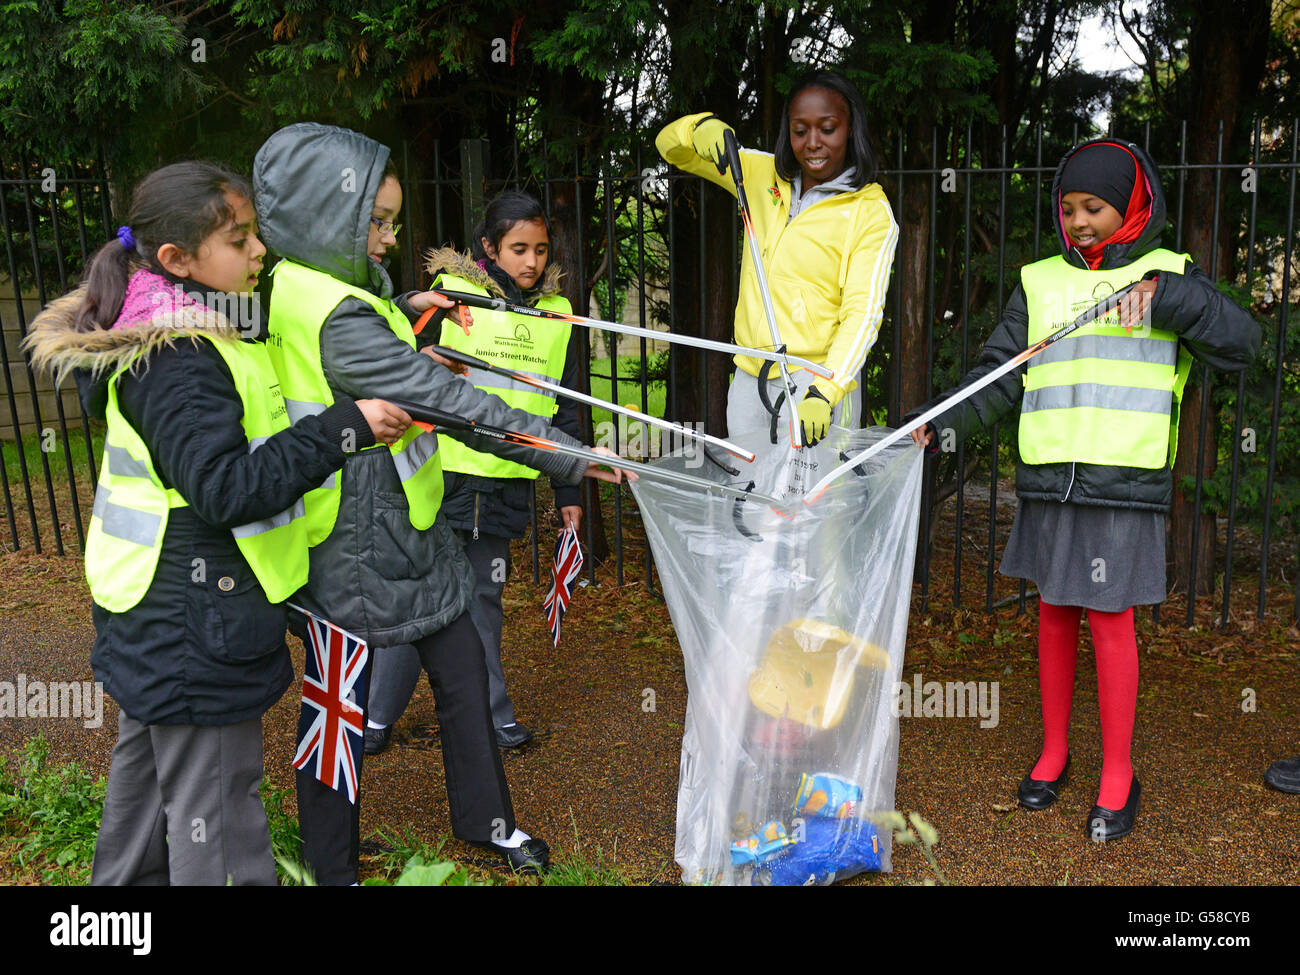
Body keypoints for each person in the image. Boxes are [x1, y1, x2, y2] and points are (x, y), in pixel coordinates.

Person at [253, 122, 630, 882]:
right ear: (328, 217)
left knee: (461, 674)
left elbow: (381, 343)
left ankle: (488, 823)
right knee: (336, 710)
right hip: (346, 548)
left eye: (392, 221)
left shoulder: (320, 284)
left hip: (411, 526)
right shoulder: (338, 313)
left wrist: (406, 308)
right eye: (376, 223)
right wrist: (567, 452)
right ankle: (333, 869)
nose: (389, 237)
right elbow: (453, 403)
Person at [25, 161, 410, 885]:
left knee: (144, 794)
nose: (260, 252)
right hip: (196, 623)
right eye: (240, 239)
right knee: (222, 819)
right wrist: (343, 428)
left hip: (154, 614)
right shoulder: (179, 359)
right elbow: (227, 488)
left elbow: (268, 330)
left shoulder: (163, 316)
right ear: (178, 259)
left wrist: (397, 306)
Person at [907, 138, 1259, 841]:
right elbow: (999, 372)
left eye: (1094, 207)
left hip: (1122, 485)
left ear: (1131, 206)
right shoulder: (1040, 282)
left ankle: (1118, 773)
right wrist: (943, 424)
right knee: (1055, 612)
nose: (1080, 221)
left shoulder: (1167, 275)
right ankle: (1054, 752)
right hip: (1049, 482)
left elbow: (1244, 344)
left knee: (1110, 621)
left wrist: (1176, 299)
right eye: (1068, 208)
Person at [365, 190, 583, 753]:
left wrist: (569, 486)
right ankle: (374, 719)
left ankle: (488, 717)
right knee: (419, 594)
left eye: (539, 249)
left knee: (482, 599)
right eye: (517, 249)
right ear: (488, 248)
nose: (531, 262)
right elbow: (398, 371)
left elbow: (566, 403)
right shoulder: (451, 298)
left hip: (507, 481)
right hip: (438, 475)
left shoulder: (558, 314)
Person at [655, 68, 898, 446]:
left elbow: (862, 314)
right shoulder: (759, 173)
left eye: (828, 128)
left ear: (850, 128)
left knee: (814, 506)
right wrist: (700, 128)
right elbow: (672, 150)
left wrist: (825, 391)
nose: (813, 142)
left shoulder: (870, 210)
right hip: (749, 380)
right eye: (800, 130)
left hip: (813, 385)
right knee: (753, 498)